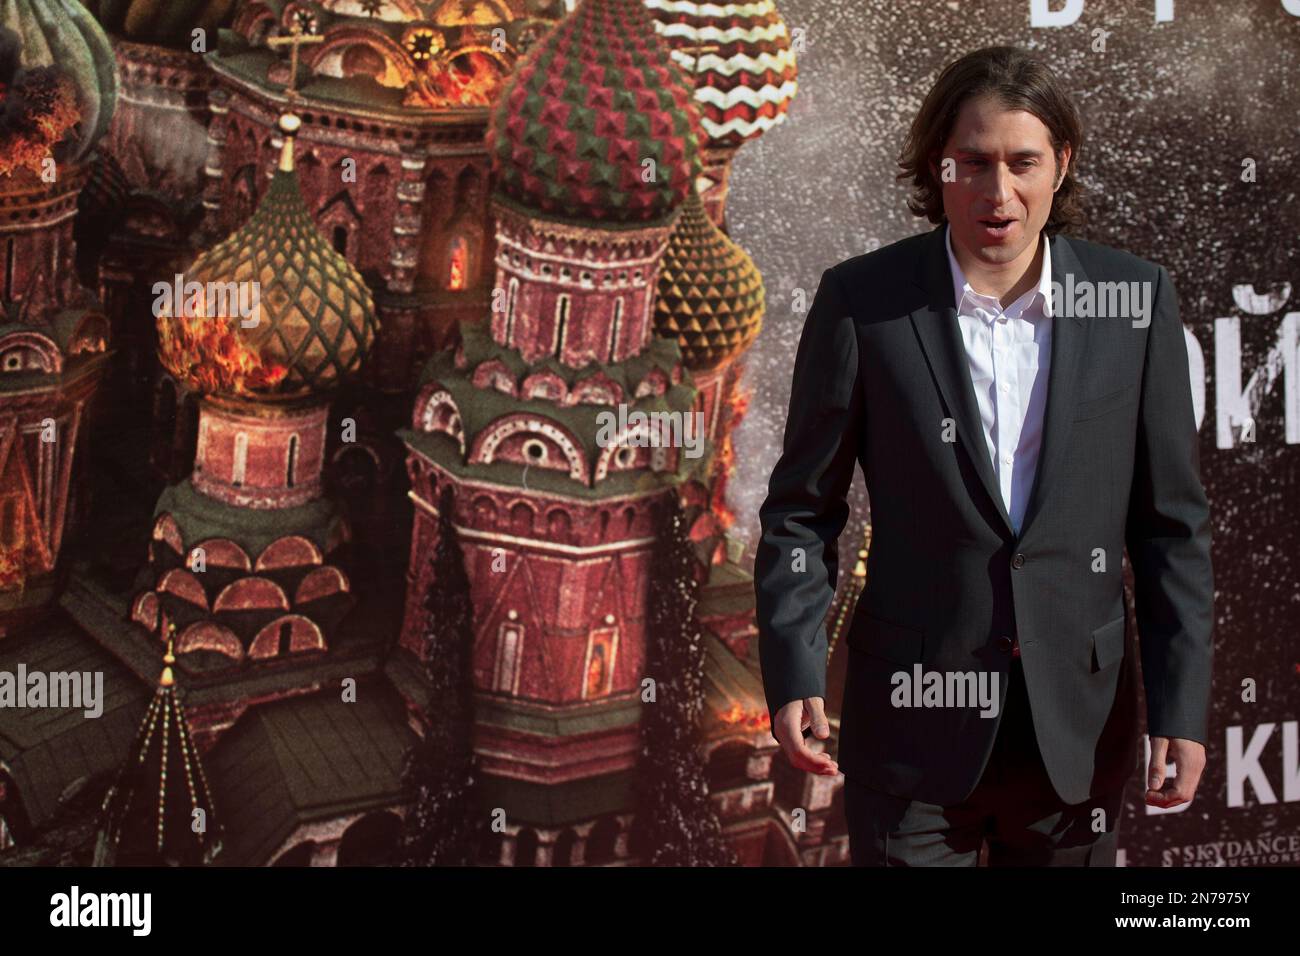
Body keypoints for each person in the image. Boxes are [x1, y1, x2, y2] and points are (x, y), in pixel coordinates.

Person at [753, 45, 1214, 866]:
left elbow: (1171, 528)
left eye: (1023, 162)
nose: (999, 194)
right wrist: (793, 672)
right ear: (940, 166)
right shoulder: (864, 302)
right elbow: (800, 512)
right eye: (974, 163)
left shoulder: (1134, 301)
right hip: (909, 738)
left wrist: (1180, 710)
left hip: (1078, 729)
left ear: (1060, 164)